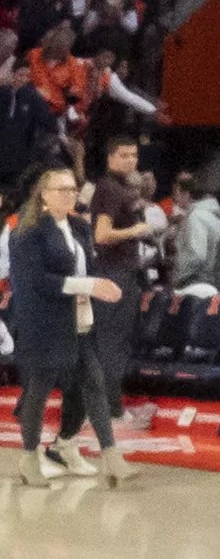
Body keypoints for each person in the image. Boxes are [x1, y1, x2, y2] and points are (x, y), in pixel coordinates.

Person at [6, 167, 132, 487]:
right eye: (61, 189)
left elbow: (86, 269)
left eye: (73, 189)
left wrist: (91, 287)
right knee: (39, 389)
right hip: (44, 323)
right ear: (44, 194)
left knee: (94, 382)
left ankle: (111, 455)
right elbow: (37, 281)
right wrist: (87, 285)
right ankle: (29, 457)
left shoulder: (78, 226)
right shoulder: (28, 231)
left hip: (79, 320)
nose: (69, 194)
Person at [87, 139, 154, 430]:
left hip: (120, 272)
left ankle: (106, 407)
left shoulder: (119, 188)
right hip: (114, 273)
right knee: (111, 343)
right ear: (110, 157)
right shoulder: (110, 189)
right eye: (124, 155)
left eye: (134, 155)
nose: (130, 160)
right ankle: (110, 410)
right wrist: (135, 231)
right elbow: (101, 235)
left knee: (113, 342)